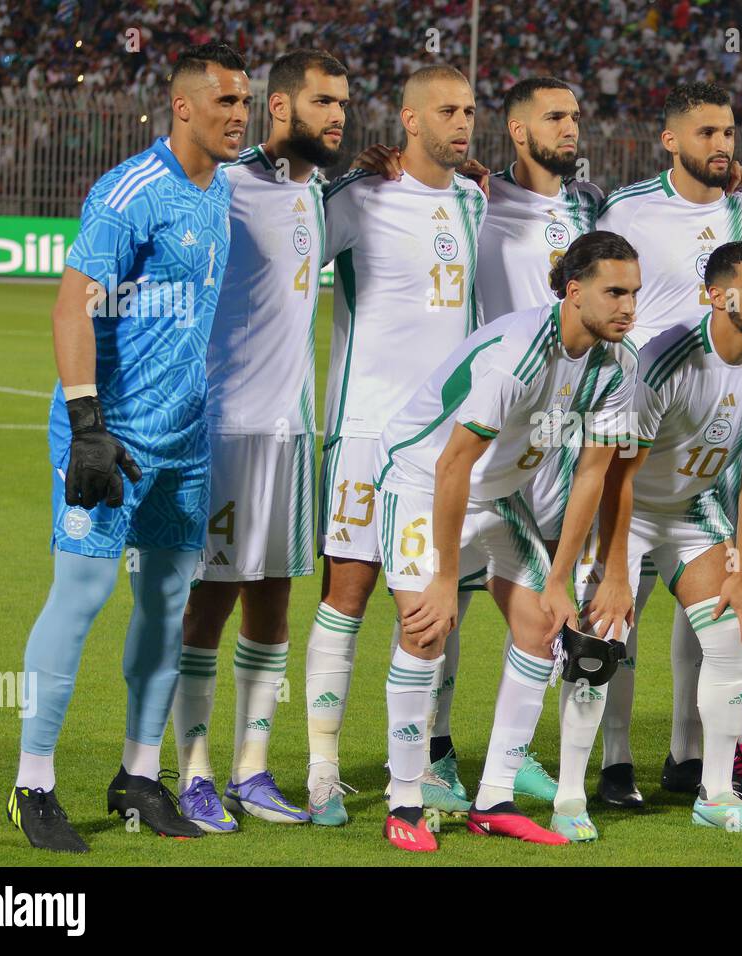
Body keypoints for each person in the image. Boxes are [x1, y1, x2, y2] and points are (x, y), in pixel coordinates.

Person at [8, 41, 249, 853]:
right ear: (183, 107)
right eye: (226, 103)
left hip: (184, 445)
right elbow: (71, 307)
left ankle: (138, 778)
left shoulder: (221, 189)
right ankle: (32, 784)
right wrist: (86, 427)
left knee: (167, 606)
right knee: (80, 598)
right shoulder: (130, 192)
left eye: (247, 102)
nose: (241, 115)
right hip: (109, 440)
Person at [372, 231, 639, 850]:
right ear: (574, 292)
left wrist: (560, 577)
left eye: (634, 293)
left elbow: (591, 474)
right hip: (421, 480)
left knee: (543, 629)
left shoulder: (616, 366)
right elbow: (450, 466)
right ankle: (405, 800)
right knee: (425, 629)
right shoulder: (520, 352)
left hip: (497, 497)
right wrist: (443, 579)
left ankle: (494, 798)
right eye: (615, 292)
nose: (628, 307)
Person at [170, 49, 349, 832]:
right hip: (222, 430)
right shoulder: (226, 185)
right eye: (323, 102)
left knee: (274, 603)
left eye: (344, 102)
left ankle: (252, 768)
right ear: (280, 107)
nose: (338, 115)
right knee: (207, 603)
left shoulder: (325, 195)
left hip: (291, 432)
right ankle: (193, 769)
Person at [304, 64, 487, 825]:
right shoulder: (356, 196)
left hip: (442, 446)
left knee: (435, 610)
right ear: (409, 121)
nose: (463, 123)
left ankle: (412, 770)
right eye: (447, 111)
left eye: (470, 111)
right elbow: (291, 244)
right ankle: (320, 773)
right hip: (367, 432)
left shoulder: (476, 198)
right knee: (346, 597)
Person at [596, 82, 742, 802]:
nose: (722, 145)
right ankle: (613, 762)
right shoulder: (628, 209)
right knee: (618, 607)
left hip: (719, 430)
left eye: (728, 132)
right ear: (671, 141)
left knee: (711, 607)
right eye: (705, 133)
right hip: (636, 425)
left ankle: (688, 755)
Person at [589, 241, 742, 834]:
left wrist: (739, 567)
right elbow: (618, 472)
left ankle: (713, 795)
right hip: (624, 508)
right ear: (716, 294)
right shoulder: (666, 360)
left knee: (732, 631)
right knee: (601, 642)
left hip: (691, 510)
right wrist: (615, 570)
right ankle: (601, 775)